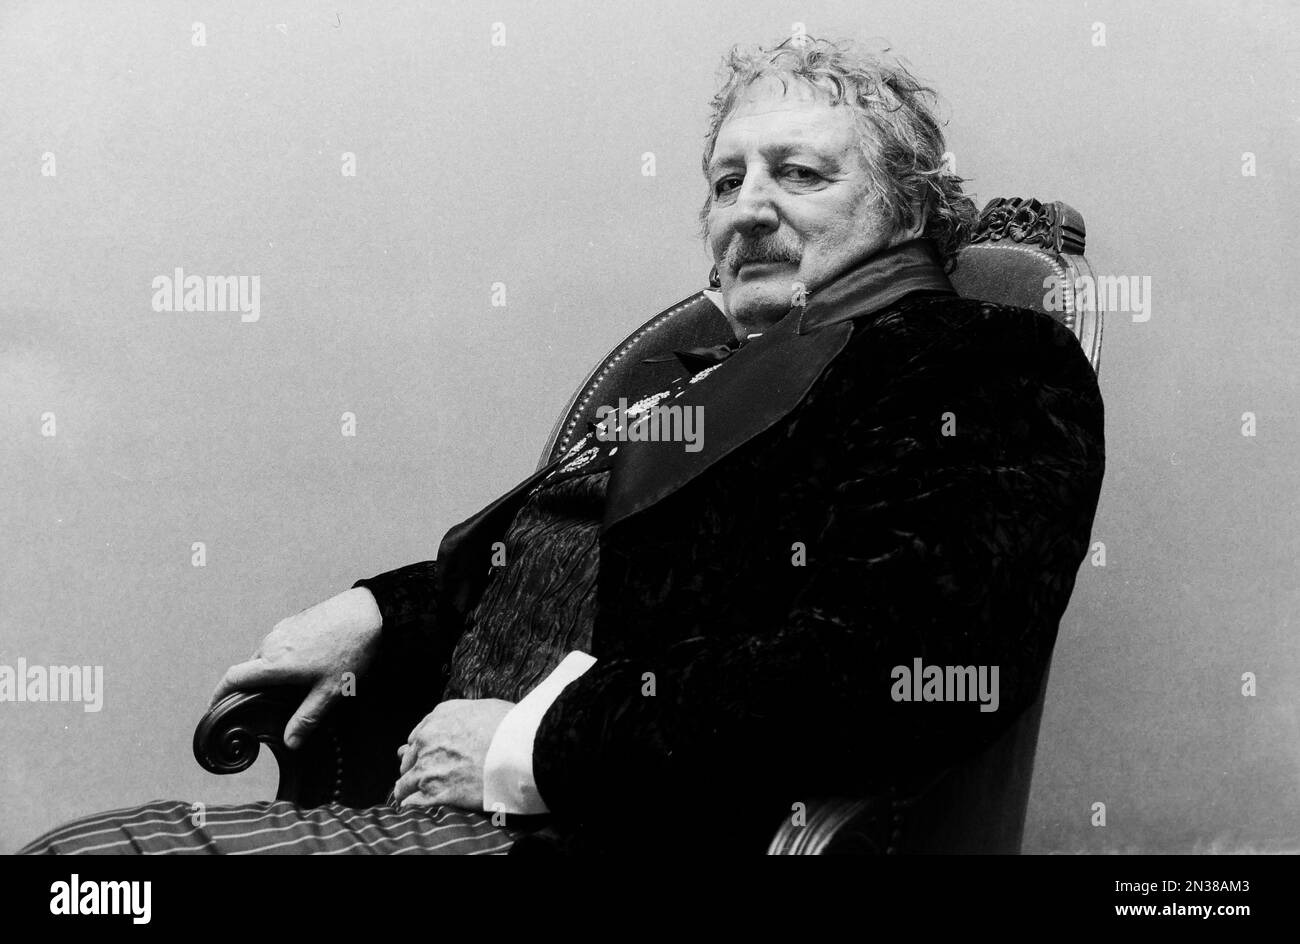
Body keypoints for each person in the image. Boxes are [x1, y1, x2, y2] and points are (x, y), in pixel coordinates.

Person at [19, 35, 1104, 855]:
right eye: (727, 181)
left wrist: (527, 751)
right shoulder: (698, 382)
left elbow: (907, 663)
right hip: (420, 813)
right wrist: (381, 609)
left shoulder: (980, 363)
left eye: (801, 174)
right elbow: (558, 555)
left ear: (909, 208)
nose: (749, 209)